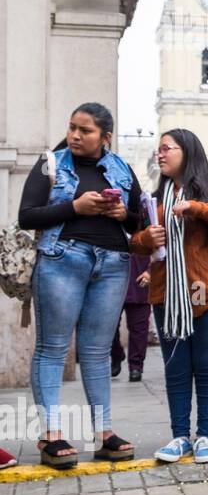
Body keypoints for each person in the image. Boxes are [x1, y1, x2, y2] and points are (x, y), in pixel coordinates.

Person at [18, 103, 142, 469]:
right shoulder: (50, 163)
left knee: (98, 351)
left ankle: (104, 433)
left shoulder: (121, 167)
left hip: (112, 264)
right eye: (72, 127)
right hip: (61, 260)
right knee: (53, 348)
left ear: (105, 137)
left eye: (84, 130)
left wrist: (124, 215)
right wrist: (75, 207)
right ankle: (51, 435)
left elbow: (139, 223)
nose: (75, 135)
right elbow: (27, 215)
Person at [132, 129, 208, 465]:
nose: (161, 154)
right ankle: (179, 436)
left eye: (167, 148)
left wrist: (198, 208)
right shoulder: (155, 196)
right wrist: (145, 237)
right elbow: (134, 241)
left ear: (188, 151)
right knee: (177, 367)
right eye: (159, 149)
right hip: (167, 294)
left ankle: (206, 436)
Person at [111, 256, 152, 382]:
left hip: (140, 278)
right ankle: (116, 355)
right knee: (108, 327)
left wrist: (150, 271)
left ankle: (136, 366)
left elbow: (162, 251)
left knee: (139, 328)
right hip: (111, 282)